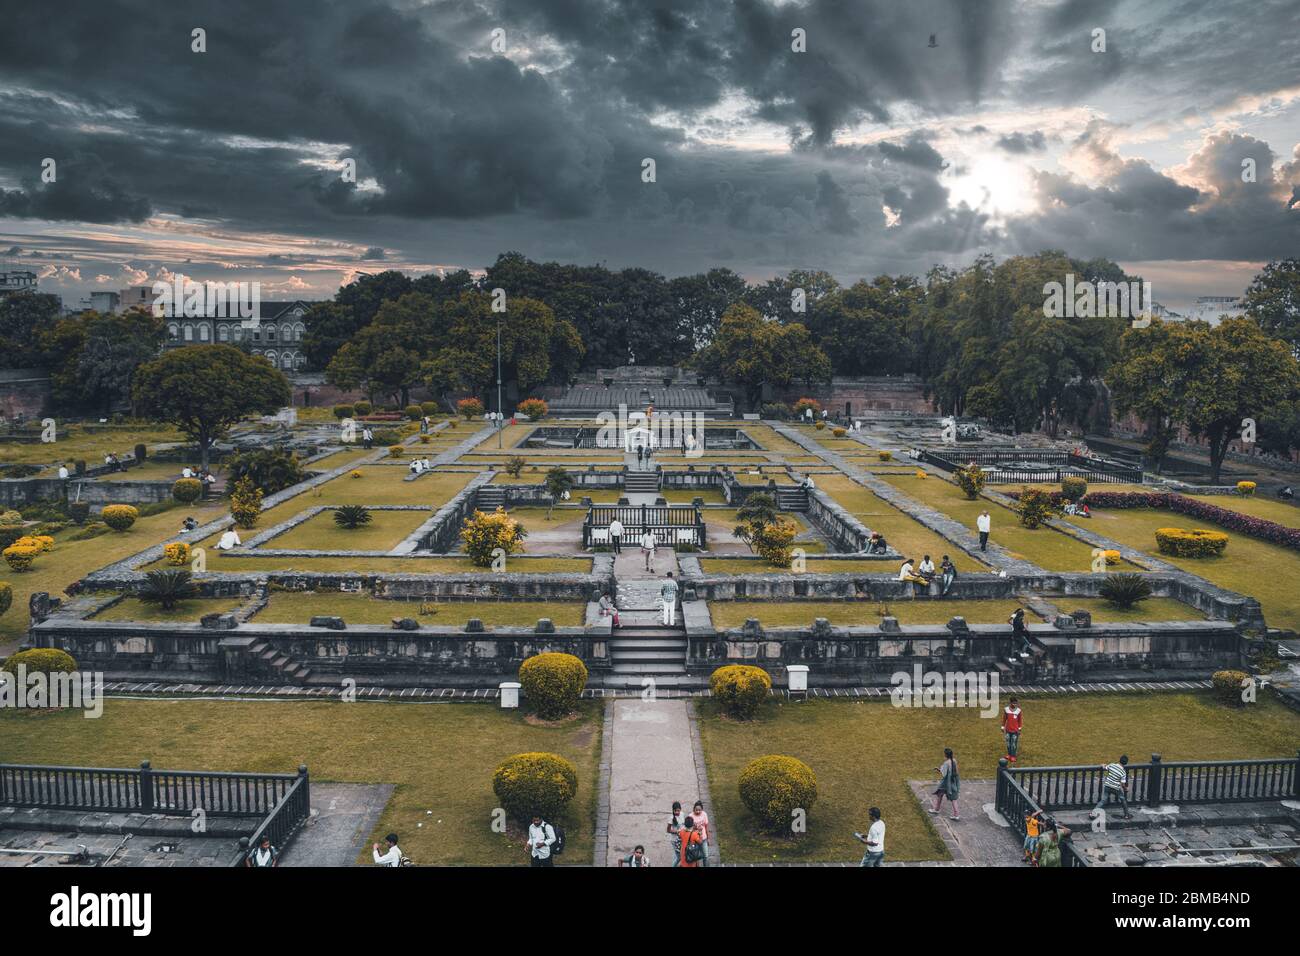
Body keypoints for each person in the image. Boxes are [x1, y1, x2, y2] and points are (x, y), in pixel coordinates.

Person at [1091, 755, 1132, 820]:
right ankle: (1126, 815)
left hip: (1107, 785)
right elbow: (1122, 784)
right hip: (1116, 788)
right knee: (1123, 800)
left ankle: (1093, 814)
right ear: (1126, 763)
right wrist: (1126, 789)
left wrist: (1103, 765)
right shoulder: (1123, 772)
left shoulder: (1112, 765)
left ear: (1119, 760)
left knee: (1103, 800)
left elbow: (1105, 767)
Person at [929, 748, 960, 820]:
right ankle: (956, 815)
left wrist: (939, 770)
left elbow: (944, 774)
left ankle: (936, 809)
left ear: (946, 755)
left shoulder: (946, 763)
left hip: (945, 783)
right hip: (952, 782)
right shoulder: (954, 760)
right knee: (953, 799)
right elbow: (956, 772)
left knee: (939, 795)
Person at [1002, 696, 1023, 763]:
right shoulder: (1006, 710)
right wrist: (1002, 726)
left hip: (1015, 730)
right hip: (1008, 730)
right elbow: (1004, 719)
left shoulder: (1018, 710)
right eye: (1013, 703)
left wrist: (1019, 728)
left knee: (1014, 743)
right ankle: (1009, 754)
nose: (1015, 704)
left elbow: (1020, 720)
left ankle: (1013, 756)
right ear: (1010, 703)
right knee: (1008, 743)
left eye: (1016, 703)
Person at [691, 801, 711, 867]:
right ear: (694, 809)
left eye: (700, 810)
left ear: (702, 809)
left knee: (706, 856)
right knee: (696, 857)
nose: (698, 812)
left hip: (704, 839)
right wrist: (695, 828)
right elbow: (689, 830)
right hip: (695, 840)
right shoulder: (690, 816)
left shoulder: (704, 814)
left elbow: (706, 827)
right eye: (696, 810)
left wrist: (708, 838)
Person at [666, 801, 685, 868]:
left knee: (678, 854)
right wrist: (677, 832)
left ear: (680, 809)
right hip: (675, 840)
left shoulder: (682, 814)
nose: (677, 812)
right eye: (675, 811)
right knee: (679, 857)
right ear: (673, 810)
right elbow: (668, 830)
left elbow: (683, 824)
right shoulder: (671, 818)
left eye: (678, 810)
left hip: (682, 838)